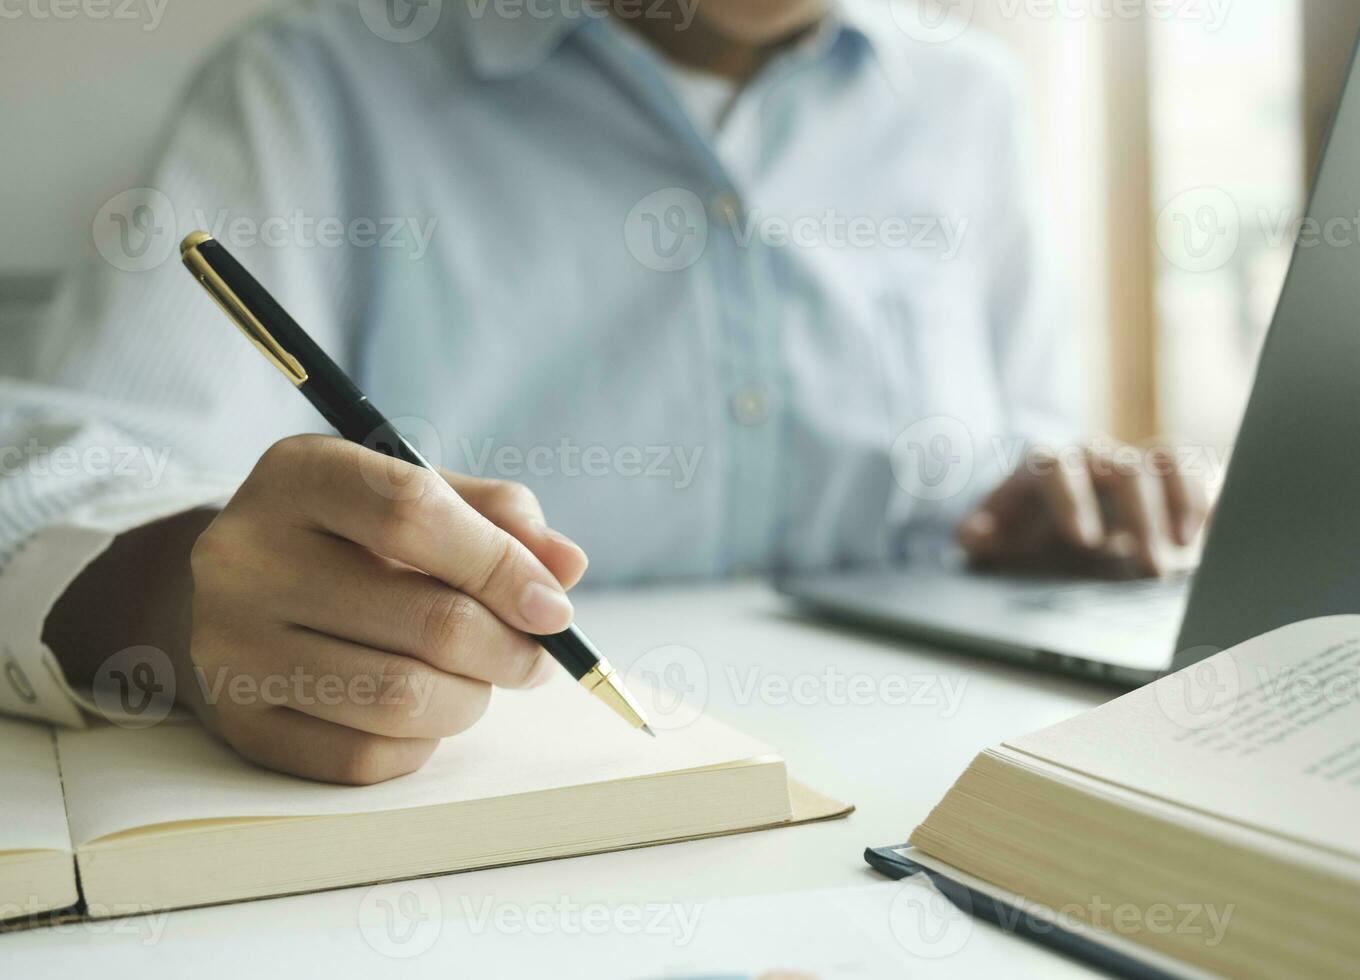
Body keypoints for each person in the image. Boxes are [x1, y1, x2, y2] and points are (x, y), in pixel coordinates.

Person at [1, 0, 1207, 784]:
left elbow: (1016, 434)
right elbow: (56, 466)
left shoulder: (971, 99)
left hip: (943, 784)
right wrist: (176, 590)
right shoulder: (310, 83)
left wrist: (1053, 494)